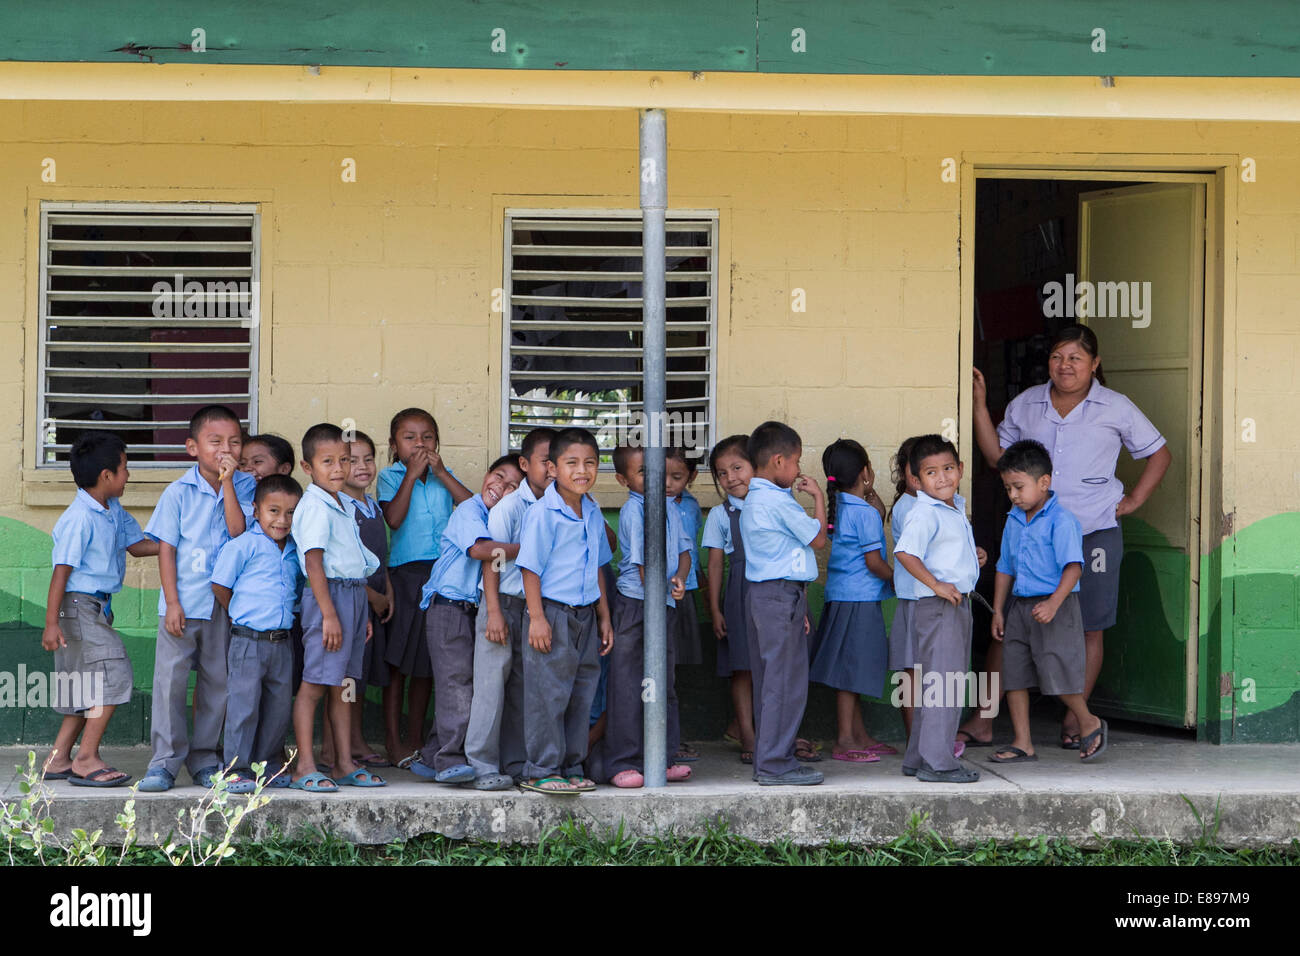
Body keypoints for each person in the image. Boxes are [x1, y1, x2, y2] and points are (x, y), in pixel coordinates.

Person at [968, 324, 1171, 748]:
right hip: (1030, 535)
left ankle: (1073, 718)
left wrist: (1134, 499)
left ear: (1095, 364)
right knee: (1010, 627)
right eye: (1058, 357)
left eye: (1076, 358)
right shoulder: (1027, 404)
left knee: (1089, 627)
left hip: (1092, 533)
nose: (1065, 366)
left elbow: (1159, 454)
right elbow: (996, 458)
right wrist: (980, 406)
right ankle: (985, 720)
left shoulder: (1115, 407)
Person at [139, 405, 254, 792]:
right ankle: (164, 762)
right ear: (193, 447)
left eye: (234, 443)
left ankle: (205, 759)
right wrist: (172, 602)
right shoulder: (178, 493)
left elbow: (240, 534)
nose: (226, 449)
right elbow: (166, 549)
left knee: (217, 683)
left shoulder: (246, 487)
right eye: (216, 441)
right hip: (183, 605)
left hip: (223, 607)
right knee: (170, 683)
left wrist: (229, 484)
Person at [41, 432, 158, 787]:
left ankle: (59, 758)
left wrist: (180, 546)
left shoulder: (112, 509)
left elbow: (138, 546)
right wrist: (51, 622)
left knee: (85, 685)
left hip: (93, 608)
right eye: (125, 468)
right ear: (107, 475)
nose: (129, 475)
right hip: (76, 607)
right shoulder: (80, 517)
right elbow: (61, 571)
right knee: (114, 673)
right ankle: (86, 758)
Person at [989, 440, 1107, 763]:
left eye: (1018, 487)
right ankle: (1023, 741)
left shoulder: (1061, 521)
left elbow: (1074, 567)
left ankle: (1087, 721)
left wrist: (1054, 603)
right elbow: (1004, 566)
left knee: (1056, 672)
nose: (1013, 495)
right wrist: (999, 610)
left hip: (1056, 606)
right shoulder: (1013, 519)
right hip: (1020, 606)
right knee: (1013, 674)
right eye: (1008, 488)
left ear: (1044, 482)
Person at [410, 455, 524, 784]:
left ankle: (432, 755)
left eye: (512, 485)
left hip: (469, 610)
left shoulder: (497, 516)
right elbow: (480, 551)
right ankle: (448, 759)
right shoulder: (469, 511)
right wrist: (531, 545)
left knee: (463, 684)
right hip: (449, 609)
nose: (501, 486)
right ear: (486, 474)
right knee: (455, 685)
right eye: (498, 476)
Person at [515, 427, 615, 795]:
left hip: (586, 615)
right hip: (552, 615)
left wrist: (604, 616)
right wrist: (537, 618)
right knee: (548, 694)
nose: (582, 470)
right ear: (553, 468)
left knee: (581, 692)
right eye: (571, 462)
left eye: (590, 462)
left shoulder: (591, 510)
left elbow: (599, 567)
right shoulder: (544, 513)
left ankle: (572, 765)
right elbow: (530, 568)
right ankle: (542, 768)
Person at [289, 423, 382, 792]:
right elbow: (314, 564)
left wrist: (362, 615)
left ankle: (343, 761)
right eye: (328, 461)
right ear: (307, 466)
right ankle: (304, 766)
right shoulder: (313, 505)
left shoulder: (343, 502)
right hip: (329, 598)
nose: (339, 468)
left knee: (344, 684)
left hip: (354, 596)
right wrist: (329, 614)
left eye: (343, 460)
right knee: (314, 684)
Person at [377, 408, 472, 767]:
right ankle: (392, 740)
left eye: (428, 437)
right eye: (410, 438)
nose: (420, 444)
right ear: (393, 445)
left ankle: (416, 740)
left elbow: (474, 507)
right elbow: (394, 519)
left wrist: (441, 473)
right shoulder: (389, 476)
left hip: (443, 577)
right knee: (399, 664)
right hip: (405, 577)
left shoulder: (444, 478)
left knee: (428, 663)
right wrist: (412, 475)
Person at [466, 427, 556, 790]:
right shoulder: (510, 506)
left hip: (536, 608)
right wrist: (494, 612)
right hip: (501, 603)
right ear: (525, 463)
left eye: (557, 462)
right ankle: (482, 765)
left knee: (524, 686)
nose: (552, 469)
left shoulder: (558, 505)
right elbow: (493, 560)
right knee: (491, 686)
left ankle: (518, 762)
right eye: (544, 461)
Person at [741, 421, 829, 787]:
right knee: (784, 683)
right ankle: (776, 764)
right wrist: (819, 498)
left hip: (774, 595)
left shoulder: (757, 498)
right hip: (779, 596)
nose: (797, 471)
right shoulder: (776, 501)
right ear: (778, 461)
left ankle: (772, 757)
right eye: (795, 462)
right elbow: (819, 539)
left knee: (772, 681)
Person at [893, 434, 982, 783]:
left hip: (953, 604)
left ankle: (918, 758)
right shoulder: (924, 512)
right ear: (916, 480)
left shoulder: (952, 507)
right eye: (931, 472)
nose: (942, 477)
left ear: (960, 469)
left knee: (940, 684)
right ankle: (939, 764)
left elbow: (943, 553)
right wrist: (936, 585)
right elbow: (905, 553)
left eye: (947, 468)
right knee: (945, 686)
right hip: (940, 606)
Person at [606, 445, 693, 788]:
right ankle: (622, 761)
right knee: (629, 685)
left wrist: (681, 579)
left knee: (662, 682)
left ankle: (663, 756)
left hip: (664, 605)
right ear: (622, 479)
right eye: (642, 472)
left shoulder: (672, 508)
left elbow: (685, 553)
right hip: (636, 605)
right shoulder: (633, 510)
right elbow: (645, 565)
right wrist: (658, 592)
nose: (653, 479)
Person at [211, 474, 304, 792]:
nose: (282, 520)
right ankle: (235, 770)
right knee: (244, 707)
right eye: (274, 511)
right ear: (256, 510)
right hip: (248, 641)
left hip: (282, 643)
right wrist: (241, 615)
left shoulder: (294, 550)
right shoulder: (243, 545)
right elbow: (220, 587)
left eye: (290, 512)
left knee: (278, 708)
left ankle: (268, 767)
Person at [810, 439, 895, 763]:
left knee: (852, 669)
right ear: (866, 473)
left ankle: (859, 734)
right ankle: (845, 739)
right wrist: (899, 578)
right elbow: (874, 563)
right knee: (850, 673)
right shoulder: (865, 514)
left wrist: (874, 503)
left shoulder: (838, 507)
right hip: (859, 600)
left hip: (840, 596)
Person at [328, 431, 394, 771]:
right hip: (353, 600)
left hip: (375, 602)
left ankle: (354, 738)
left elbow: (380, 557)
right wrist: (373, 597)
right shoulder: (340, 507)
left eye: (368, 458)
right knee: (342, 677)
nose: (362, 466)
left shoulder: (372, 505)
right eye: (351, 460)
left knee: (359, 675)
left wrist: (388, 594)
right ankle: (335, 746)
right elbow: (338, 566)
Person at [701, 435, 756, 763]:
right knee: (742, 668)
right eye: (722, 473)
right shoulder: (721, 515)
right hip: (739, 595)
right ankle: (748, 736)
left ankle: (774, 734)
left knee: (773, 669)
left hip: (777, 594)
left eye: (738, 467)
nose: (731, 477)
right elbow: (716, 562)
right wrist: (715, 608)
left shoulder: (775, 504)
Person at [667, 449, 705, 763]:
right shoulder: (647, 506)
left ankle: (674, 738)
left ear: (691, 477)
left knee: (678, 667)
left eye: (676, 477)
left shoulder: (692, 507)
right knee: (662, 669)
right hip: (661, 596)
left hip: (686, 592)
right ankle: (664, 739)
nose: (667, 483)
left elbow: (690, 550)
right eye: (660, 475)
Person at [888, 437, 922, 742]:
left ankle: (926, 738)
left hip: (926, 600)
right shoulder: (910, 508)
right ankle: (917, 739)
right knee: (912, 673)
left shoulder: (928, 505)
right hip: (916, 599)